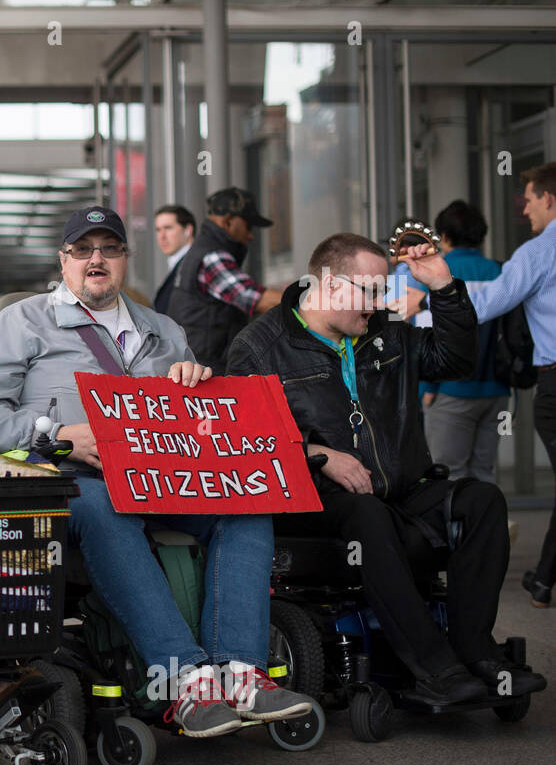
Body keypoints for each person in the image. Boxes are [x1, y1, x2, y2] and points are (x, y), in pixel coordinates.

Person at [0, 205, 312, 738]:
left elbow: (197, 423)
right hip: (73, 480)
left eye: (109, 248)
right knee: (106, 509)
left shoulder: (165, 329)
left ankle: (240, 671)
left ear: (126, 259)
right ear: (64, 260)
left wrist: (196, 382)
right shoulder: (23, 321)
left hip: (162, 479)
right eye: (83, 249)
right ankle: (187, 680)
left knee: (245, 505)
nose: (95, 259)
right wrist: (55, 435)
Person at [227, 232, 545, 704]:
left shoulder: (385, 333)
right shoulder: (260, 347)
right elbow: (247, 444)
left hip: (402, 490)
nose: (379, 304)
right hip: (316, 502)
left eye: (383, 292)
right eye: (370, 291)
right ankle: (436, 669)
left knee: (482, 500)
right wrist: (318, 455)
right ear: (331, 284)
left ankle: (476, 652)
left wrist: (444, 288)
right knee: (365, 513)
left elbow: (456, 360)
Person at [460, 163, 556, 607]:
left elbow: (485, 304)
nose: (526, 207)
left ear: (550, 200)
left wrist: (427, 301)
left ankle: (543, 578)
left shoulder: (539, 251)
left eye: (531, 199)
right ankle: (543, 577)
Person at [386, 202, 510, 483]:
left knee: (447, 473)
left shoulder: (438, 272)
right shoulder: (499, 271)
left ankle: (455, 528)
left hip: (450, 390)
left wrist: (428, 387)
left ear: (444, 236)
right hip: (497, 387)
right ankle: (483, 526)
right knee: (483, 473)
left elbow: (430, 332)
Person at [165, 188, 284, 375]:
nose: (251, 235)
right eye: (248, 226)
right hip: (205, 373)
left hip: (198, 369)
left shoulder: (202, 251)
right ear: (228, 221)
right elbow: (258, 300)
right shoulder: (211, 257)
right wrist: (311, 302)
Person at [152, 203, 196, 319]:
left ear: (188, 230)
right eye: (158, 230)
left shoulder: (198, 264)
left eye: (168, 228)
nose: (162, 236)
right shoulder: (179, 264)